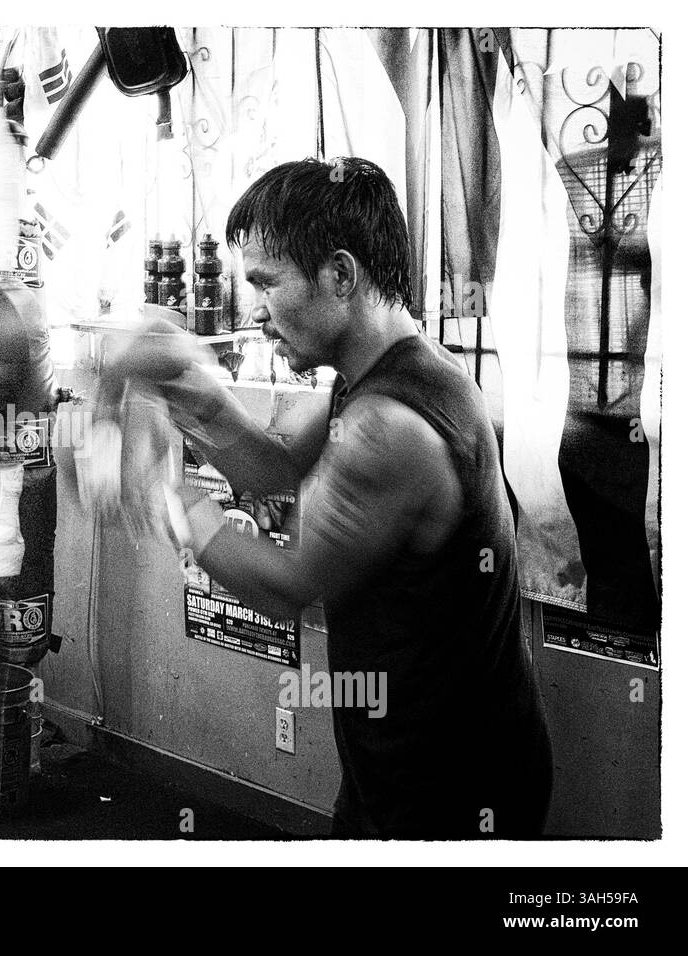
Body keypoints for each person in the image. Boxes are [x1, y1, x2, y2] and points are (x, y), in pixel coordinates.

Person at [105, 158, 552, 838]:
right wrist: (193, 393)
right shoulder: (385, 373)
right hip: (402, 764)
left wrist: (167, 493)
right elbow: (281, 471)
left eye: (265, 282)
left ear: (340, 275)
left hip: (452, 791)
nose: (254, 310)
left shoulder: (387, 428)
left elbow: (289, 584)